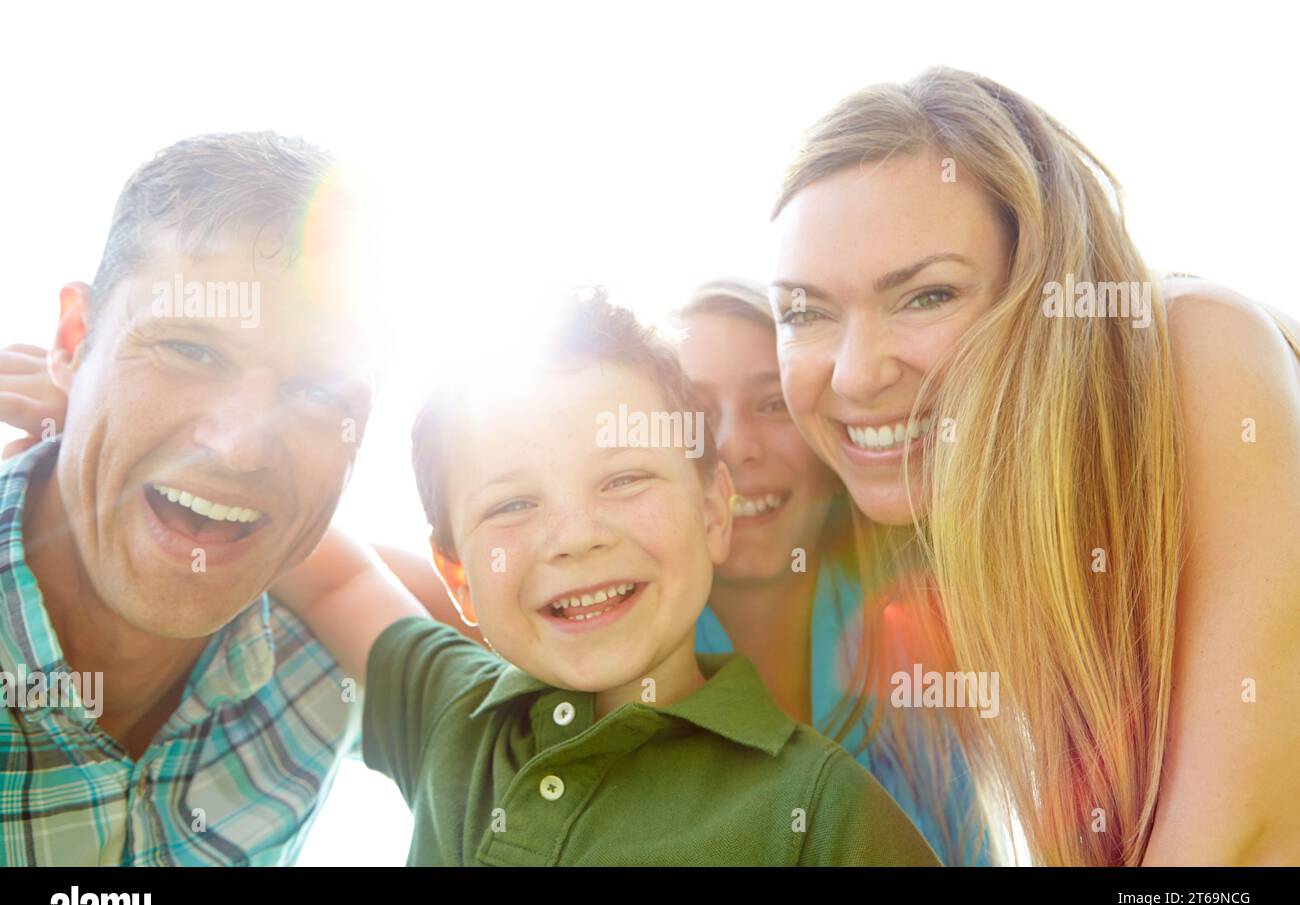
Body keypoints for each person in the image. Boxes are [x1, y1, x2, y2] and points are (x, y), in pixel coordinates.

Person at [767, 66, 1300, 865]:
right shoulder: (968, 550)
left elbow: (1226, 855)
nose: (852, 374)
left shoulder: (1193, 349)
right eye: (805, 311)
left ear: (1043, 284)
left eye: (926, 296)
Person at [270, 288, 941, 865]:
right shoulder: (449, 708)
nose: (577, 536)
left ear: (714, 510)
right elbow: (341, 581)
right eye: (513, 505)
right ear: (459, 576)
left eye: (622, 480)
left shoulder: (823, 810)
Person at [0, 131, 376, 865]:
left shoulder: (333, 645)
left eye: (316, 390)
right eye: (190, 350)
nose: (240, 446)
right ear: (74, 340)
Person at [675, 278, 988, 865]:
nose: (736, 447)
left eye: (771, 405)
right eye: (692, 416)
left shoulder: (926, 616)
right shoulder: (620, 667)